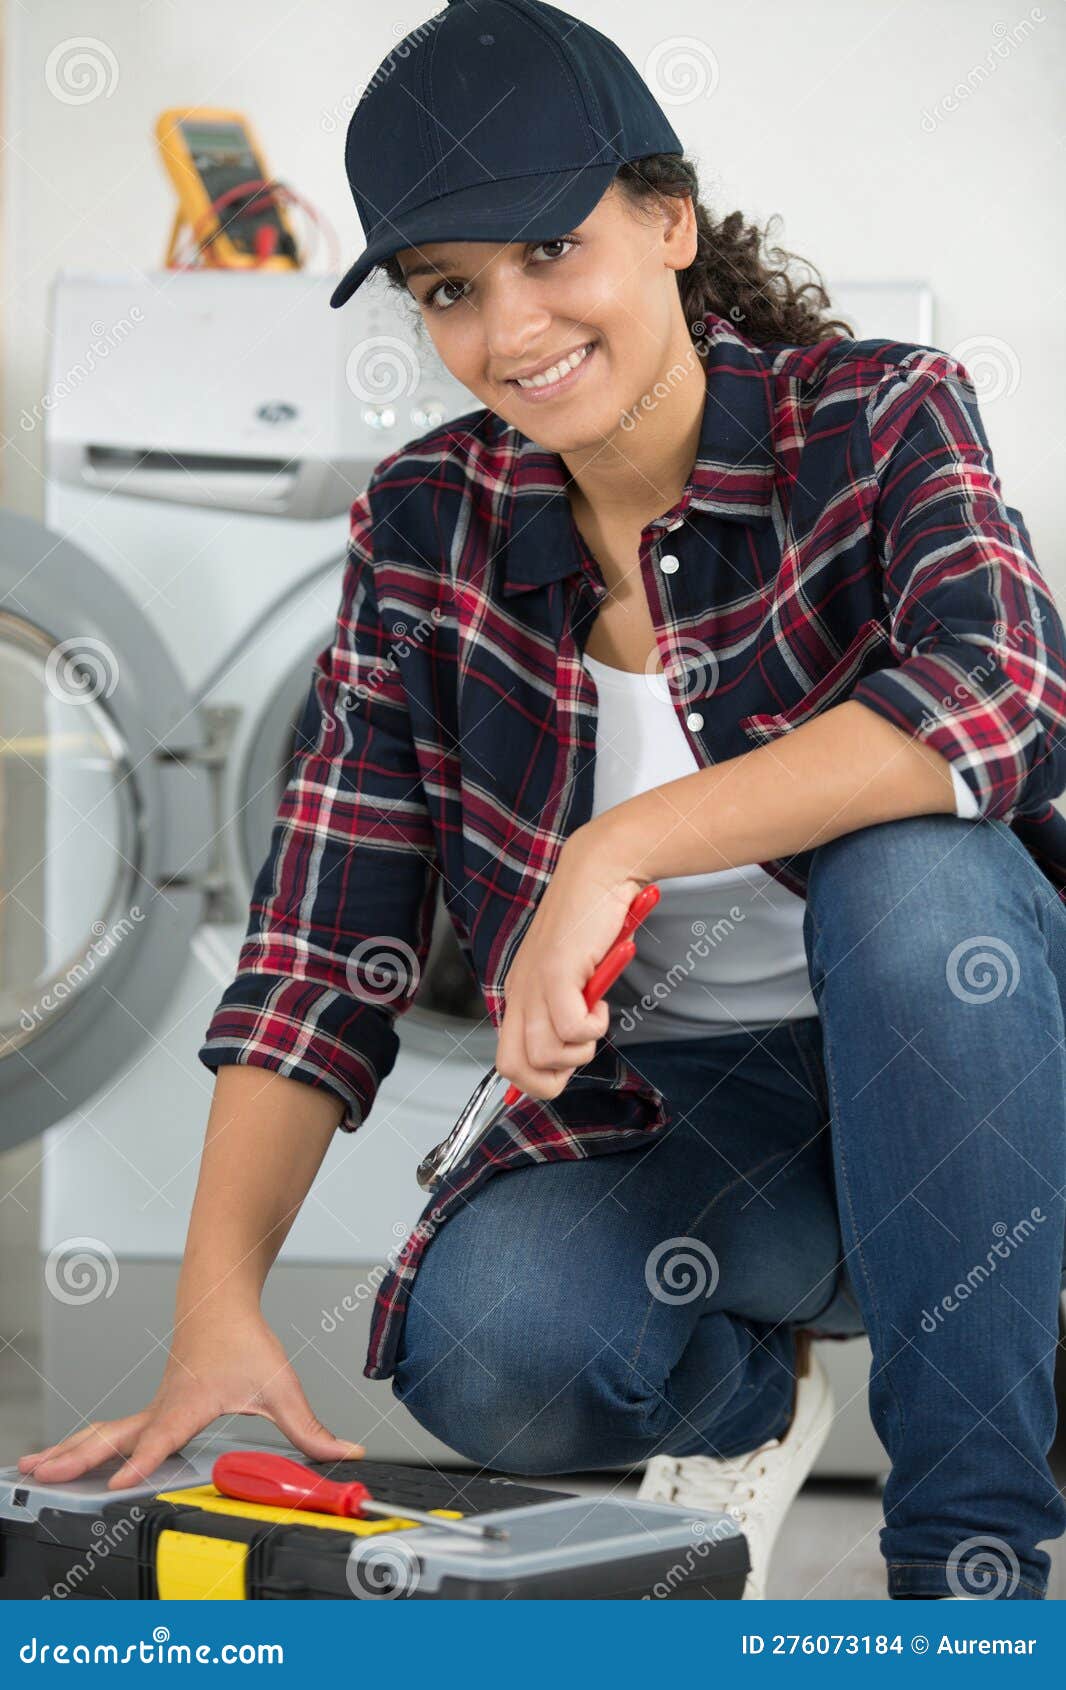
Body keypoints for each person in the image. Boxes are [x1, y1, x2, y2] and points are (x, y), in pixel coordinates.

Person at [19, 0, 1066, 1602]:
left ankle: (965, 1560)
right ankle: (755, 1387)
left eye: (549, 249)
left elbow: (998, 694)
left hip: (973, 1066)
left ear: (669, 219)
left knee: (910, 877)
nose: (509, 330)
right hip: (698, 1126)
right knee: (496, 1343)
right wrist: (215, 1307)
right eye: (450, 288)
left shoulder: (875, 414)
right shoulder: (424, 528)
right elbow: (317, 943)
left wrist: (615, 845)